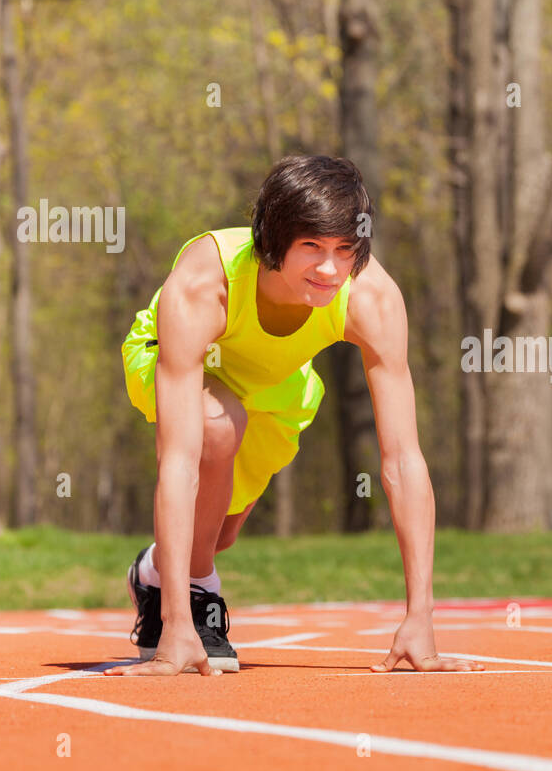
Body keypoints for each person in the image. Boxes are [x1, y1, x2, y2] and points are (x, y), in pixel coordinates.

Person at [107, 155, 482, 676]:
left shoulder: (371, 298)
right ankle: (193, 596)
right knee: (216, 428)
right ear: (271, 239)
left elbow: (402, 459)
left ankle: (151, 571)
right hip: (167, 362)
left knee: (218, 535)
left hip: (278, 386)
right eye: (311, 247)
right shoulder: (203, 283)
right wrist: (177, 625)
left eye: (344, 250)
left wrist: (421, 616)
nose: (330, 269)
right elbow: (178, 460)